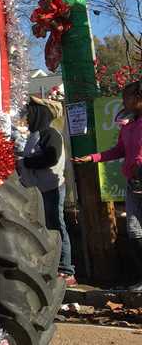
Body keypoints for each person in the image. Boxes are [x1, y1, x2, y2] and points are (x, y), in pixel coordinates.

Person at [76, 81, 142, 289]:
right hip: (133, 185)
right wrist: (93, 157)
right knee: (134, 231)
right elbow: (119, 150)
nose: (124, 101)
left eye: (127, 97)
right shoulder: (129, 126)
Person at [17, 96, 75, 285]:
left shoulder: (50, 133)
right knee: (43, 229)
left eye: (31, 112)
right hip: (38, 190)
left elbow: (51, 158)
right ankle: (50, 267)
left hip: (51, 189)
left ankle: (66, 270)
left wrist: (25, 162)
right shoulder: (36, 135)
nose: (27, 116)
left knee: (56, 226)